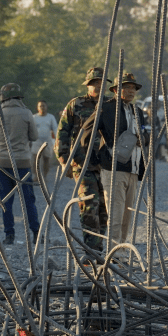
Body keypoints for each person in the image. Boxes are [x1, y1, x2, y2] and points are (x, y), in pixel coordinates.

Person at [55, 67, 109, 253]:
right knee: (88, 206)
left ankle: (100, 248)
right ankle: (91, 250)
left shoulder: (111, 105)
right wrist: (63, 160)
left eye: (102, 83)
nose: (98, 86)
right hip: (82, 163)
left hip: (106, 165)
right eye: (95, 83)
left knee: (105, 209)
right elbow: (62, 132)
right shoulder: (76, 104)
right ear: (88, 85)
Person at [92, 73, 148, 246]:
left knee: (127, 215)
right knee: (115, 215)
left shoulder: (137, 111)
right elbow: (89, 132)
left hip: (133, 168)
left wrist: (142, 138)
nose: (131, 91)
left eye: (133, 88)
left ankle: (121, 251)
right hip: (113, 167)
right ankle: (113, 251)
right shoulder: (106, 108)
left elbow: (145, 134)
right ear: (116, 89)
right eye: (127, 87)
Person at [0, 83, 40, 246]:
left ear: (3, 98)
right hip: (23, 162)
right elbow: (34, 136)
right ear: (19, 97)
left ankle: (9, 234)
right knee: (28, 200)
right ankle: (36, 232)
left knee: (5, 201)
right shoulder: (27, 113)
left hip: (3, 162)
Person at [32, 100, 59, 184]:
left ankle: (44, 176)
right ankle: (36, 176)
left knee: (46, 159)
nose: (42, 107)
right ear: (37, 107)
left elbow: (55, 128)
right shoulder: (34, 117)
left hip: (47, 140)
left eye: (43, 106)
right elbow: (30, 129)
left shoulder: (50, 117)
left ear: (46, 107)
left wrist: (57, 139)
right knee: (35, 158)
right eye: (40, 106)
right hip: (37, 140)